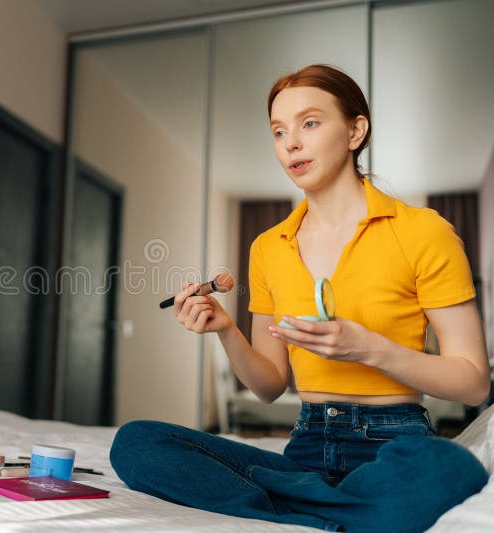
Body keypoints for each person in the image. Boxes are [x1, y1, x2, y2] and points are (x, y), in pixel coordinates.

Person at [109, 64, 490, 532]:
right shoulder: (268, 247)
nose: (290, 143)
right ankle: (343, 513)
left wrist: (369, 348)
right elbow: (269, 386)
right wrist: (224, 329)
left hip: (394, 440)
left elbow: (474, 383)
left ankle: (296, 508)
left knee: (450, 469)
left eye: (309, 123)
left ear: (355, 130)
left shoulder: (424, 231)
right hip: (306, 446)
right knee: (135, 443)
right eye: (278, 131)